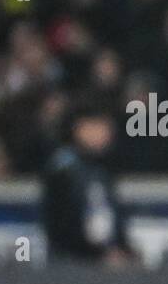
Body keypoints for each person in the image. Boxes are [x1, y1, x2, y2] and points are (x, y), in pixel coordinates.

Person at [40, 107, 134, 265]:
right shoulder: (64, 169)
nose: (107, 133)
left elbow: (111, 217)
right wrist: (98, 254)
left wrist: (123, 249)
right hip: (74, 263)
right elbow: (62, 225)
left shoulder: (102, 168)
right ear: (81, 129)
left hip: (102, 260)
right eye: (100, 127)